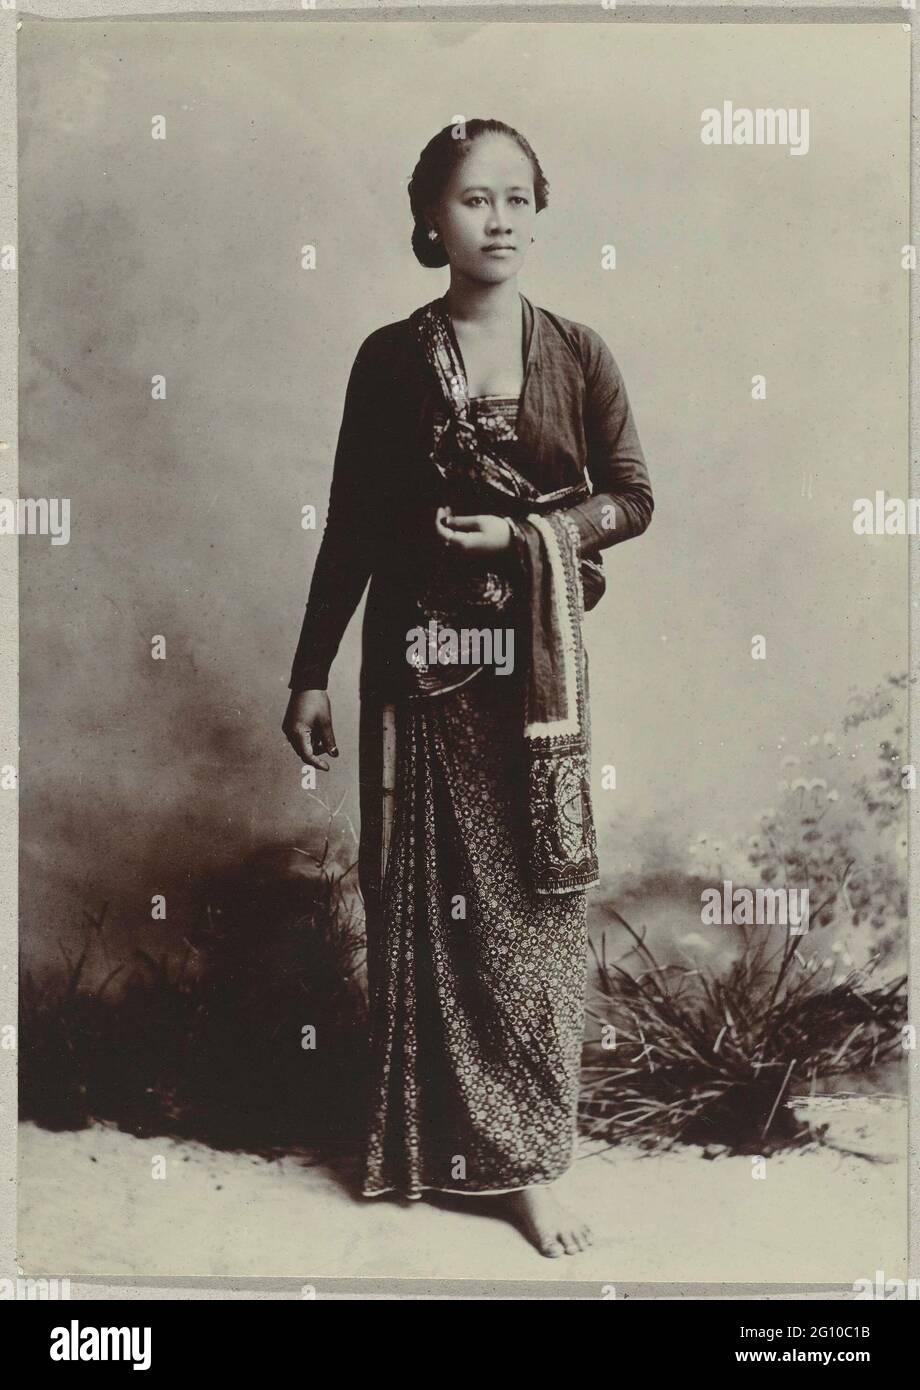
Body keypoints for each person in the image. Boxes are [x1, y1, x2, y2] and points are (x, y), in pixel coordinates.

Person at [283, 118, 653, 1258]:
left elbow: (631, 499)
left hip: (529, 684)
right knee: (426, 916)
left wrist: (525, 534)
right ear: (427, 219)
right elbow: (350, 523)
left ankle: (525, 1162)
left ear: (537, 214)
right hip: (418, 669)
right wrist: (307, 673)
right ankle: (432, 1150)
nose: (498, 220)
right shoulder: (391, 360)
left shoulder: (577, 352)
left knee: (531, 915)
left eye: (517, 199)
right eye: (472, 200)